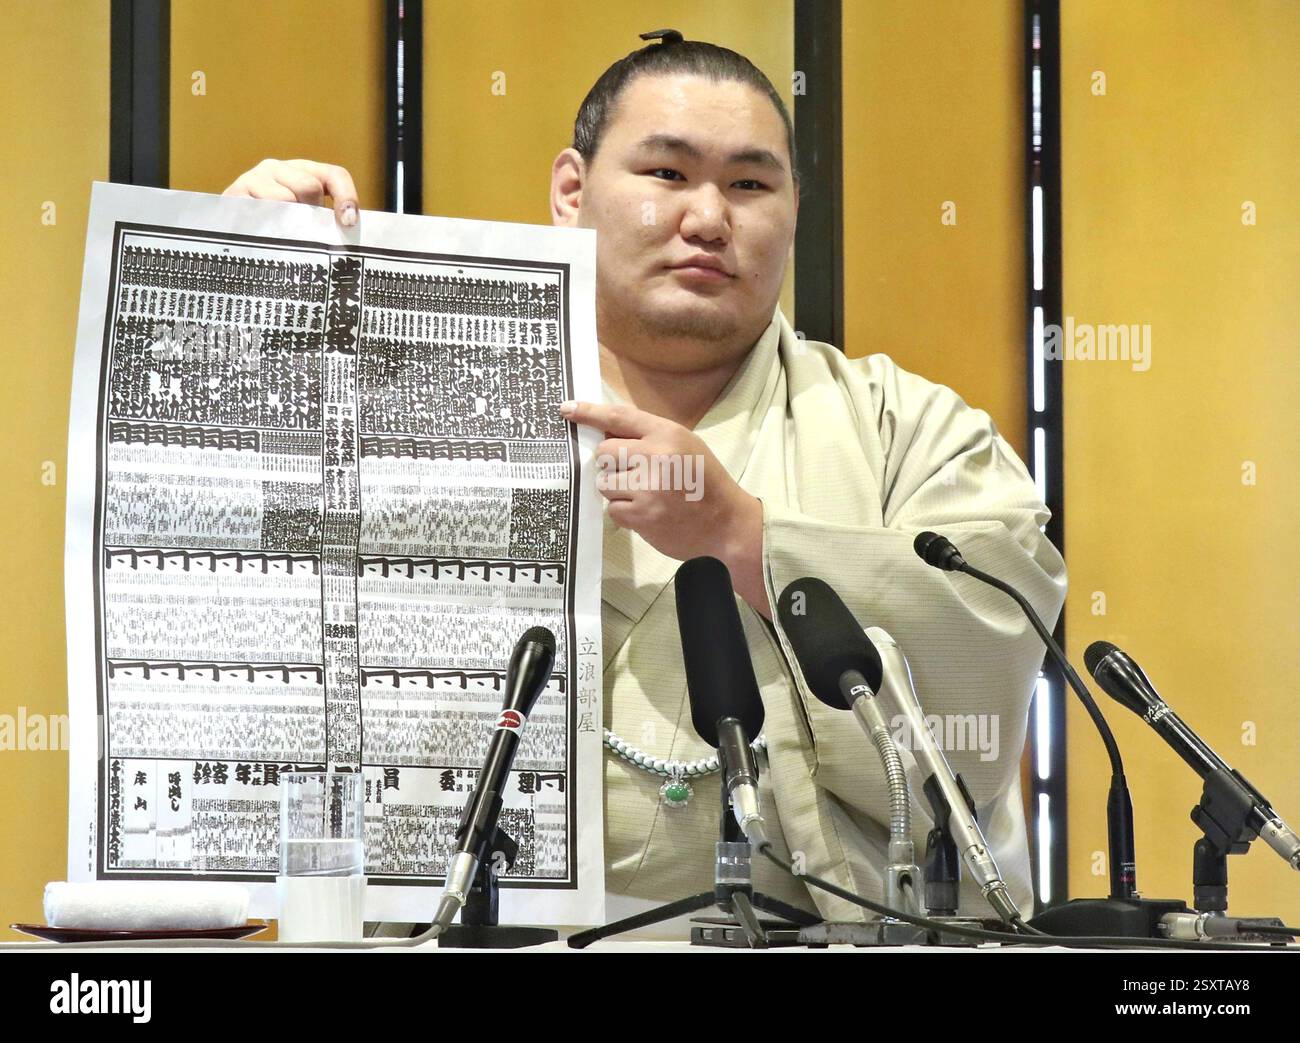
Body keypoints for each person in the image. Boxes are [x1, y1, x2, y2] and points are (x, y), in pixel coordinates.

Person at [223, 32, 1066, 924]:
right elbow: (224, 551)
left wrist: (742, 536)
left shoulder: (910, 430)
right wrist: (243, 279)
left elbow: (992, 664)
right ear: (571, 192)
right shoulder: (410, 408)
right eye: (666, 174)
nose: (709, 218)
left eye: (750, 184)